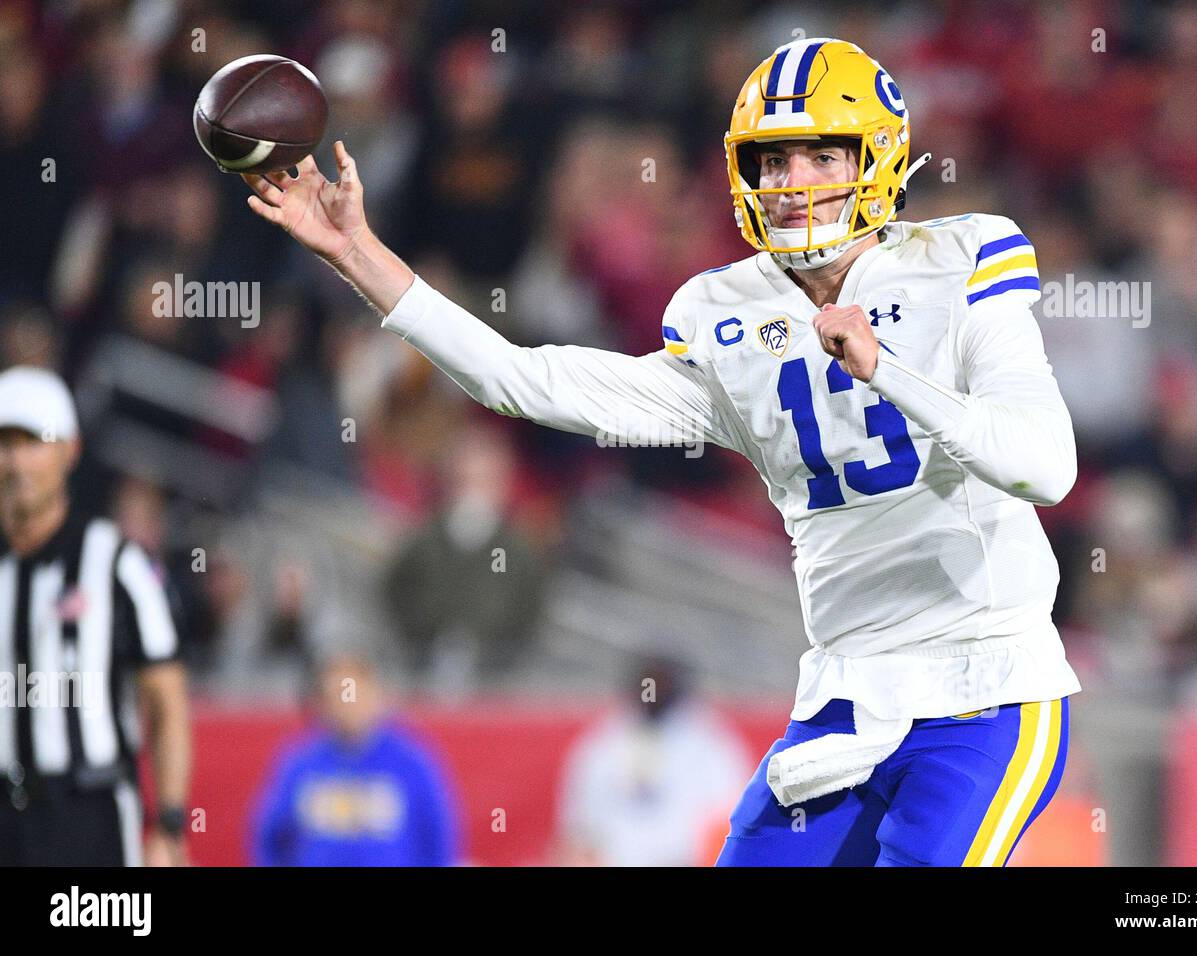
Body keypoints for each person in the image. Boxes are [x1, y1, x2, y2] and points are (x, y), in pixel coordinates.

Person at [239, 36, 1080, 866]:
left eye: (822, 156)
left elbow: (1044, 468)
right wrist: (358, 253)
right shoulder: (728, 319)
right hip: (849, 692)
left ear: (882, 157)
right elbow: (525, 382)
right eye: (772, 162)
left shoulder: (960, 262)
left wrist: (887, 371)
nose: (793, 186)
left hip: (987, 686)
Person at [0, 366, 191, 866]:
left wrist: (170, 824)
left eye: (32, 441)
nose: (16, 461)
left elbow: (166, 701)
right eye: (4, 443)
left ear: (70, 450)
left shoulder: (117, 563)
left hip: (89, 818)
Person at [250, 652, 462, 866]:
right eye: (336, 696)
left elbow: (437, 837)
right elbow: (270, 835)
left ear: (376, 696)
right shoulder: (301, 763)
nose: (347, 707)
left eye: (355, 694)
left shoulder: (411, 762)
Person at [554, 656, 751, 866]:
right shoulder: (603, 745)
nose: (654, 690)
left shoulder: (712, 744)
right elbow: (580, 829)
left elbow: (734, 819)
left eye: (661, 682)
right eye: (648, 681)